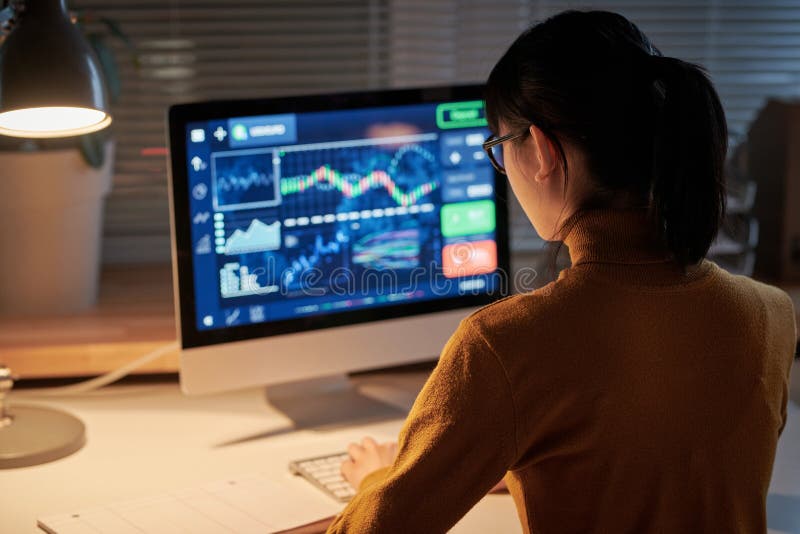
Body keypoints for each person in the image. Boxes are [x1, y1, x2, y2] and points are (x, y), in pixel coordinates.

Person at [323, 10, 797, 533]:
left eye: (500, 150)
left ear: (543, 151)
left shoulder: (504, 345)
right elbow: (670, 456)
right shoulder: (771, 315)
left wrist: (375, 479)